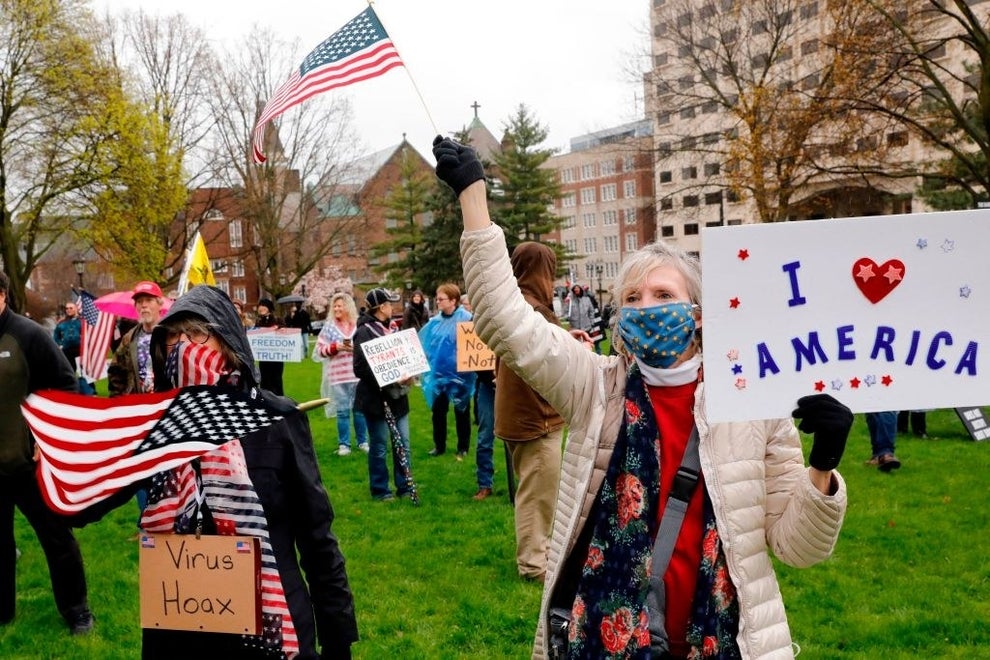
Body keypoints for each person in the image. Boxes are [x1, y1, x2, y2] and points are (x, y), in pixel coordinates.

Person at [434, 136, 852, 658]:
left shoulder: (752, 403)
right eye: (632, 298)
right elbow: (505, 320)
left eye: (663, 295)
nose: (646, 307)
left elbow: (798, 547)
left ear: (698, 314)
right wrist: (474, 199)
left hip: (722, 640)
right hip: (604, 640)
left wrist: (823, 468)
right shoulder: (596, 386)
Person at [144, 285, 358, 658]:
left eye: (195, 334)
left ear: (227, 340)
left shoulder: (277, 419)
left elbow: (317, 537)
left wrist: (338, 635)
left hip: (272, 618)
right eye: (172, 338)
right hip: (185, 622)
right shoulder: (159, 430)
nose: (182, 347)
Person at [0, 270, 94, 635]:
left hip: (29, 463)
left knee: (57, 538)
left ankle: (77, 610)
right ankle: (3, 611)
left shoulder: (28, 334)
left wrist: (46, 438)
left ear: (3, 295)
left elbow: (66, 384)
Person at [494, 242, 567, 581]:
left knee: (536, 490)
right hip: (536, 418)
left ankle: (539, 554)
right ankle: (534, 564)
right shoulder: (532, 311)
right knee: (537, 496)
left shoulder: (515, 306)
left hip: (523, 415)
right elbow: (549, 365)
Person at [106, 281, 165, 533]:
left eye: (148, 300)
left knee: (167, 468)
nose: (143, 306)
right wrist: (118, 404)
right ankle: (147, 523)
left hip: (167, 413)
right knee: (140, 469)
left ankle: (170, 520)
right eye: (139, 301)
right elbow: (116, 372)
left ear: (160, 303)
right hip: (138, 416)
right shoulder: (130, 338)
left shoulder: (172, 333)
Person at [352, 288, 415, 501]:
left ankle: (405, 486)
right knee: (379, 446)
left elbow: (405, 357)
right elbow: (359, 368)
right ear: (381, 307)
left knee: (403, 443)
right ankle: (380, 490)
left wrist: (408, 372)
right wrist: (389, 378)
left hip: (398, 397)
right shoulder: (364, 332)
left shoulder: (394, 329)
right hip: (376, 399)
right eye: (389, 304)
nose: (392, 307)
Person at [419, 283, 476, 459]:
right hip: (439, 375)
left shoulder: (467, 319)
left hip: (461, 375)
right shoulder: (434, 323)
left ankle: (463, 447)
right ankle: (439, 446)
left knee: (462, 411)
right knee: (438, 412)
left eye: (441, 299)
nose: (438, 302)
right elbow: (427, 345)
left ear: (453, 300)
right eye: (437, 299)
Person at [314, 293, 369, 456]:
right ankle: (344, 444)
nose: (337, 308)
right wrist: (335, 347)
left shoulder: (358, 325)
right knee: (343, 411)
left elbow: (366, 347)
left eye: (340, 305)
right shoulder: (329, 327)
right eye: (335, 306)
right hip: (338, 376)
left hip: (357, 375)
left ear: (348, 307)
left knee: (359, 410)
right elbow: (318, 351)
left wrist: (354, 349)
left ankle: (362, 441)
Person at [53, 299, 93, 394]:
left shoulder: (82, 322)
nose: (68, 310)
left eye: (71, 308)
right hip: (66, 350)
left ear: (76, 309)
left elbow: (89, 334)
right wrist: (60, 344)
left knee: (83, 372)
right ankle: (70, 389)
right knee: (68, 371)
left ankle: (89, 390)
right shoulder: (62, 323)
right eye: (67, 308)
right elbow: (56, 336)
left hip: (80, 350)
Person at [255, 298, 284, 395]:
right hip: (264, 358)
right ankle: (266, 398)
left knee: (276, 379)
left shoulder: (277, 320)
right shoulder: (258, 321)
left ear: (269, 307)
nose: (261, 308)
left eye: (264, 305)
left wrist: (280, 330)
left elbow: (286, 333)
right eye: (260, 305)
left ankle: (279, 399)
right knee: (265, 380)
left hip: (276, 357)